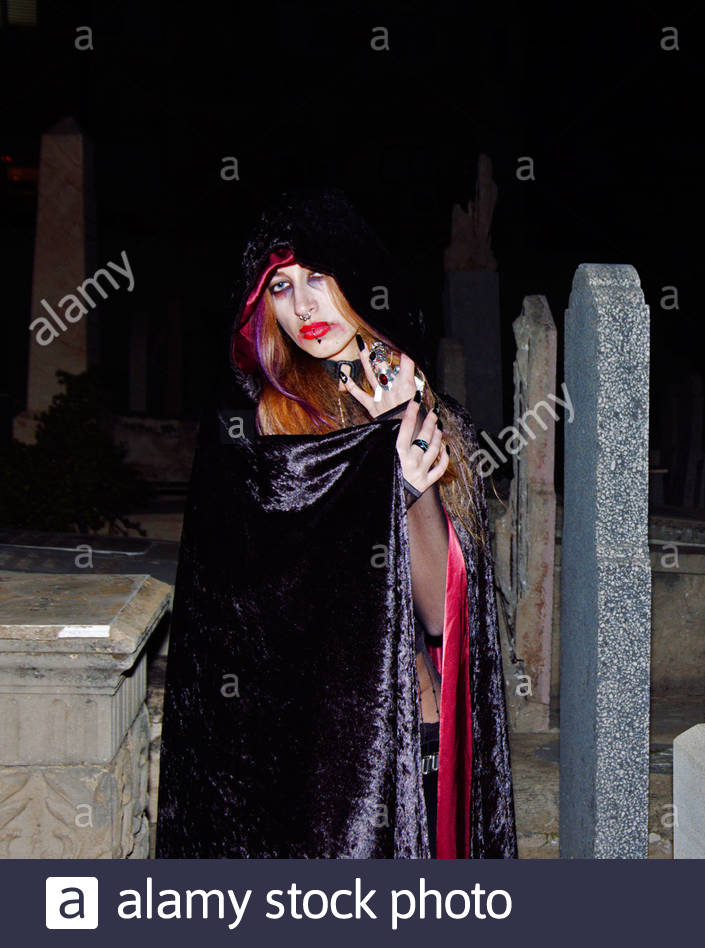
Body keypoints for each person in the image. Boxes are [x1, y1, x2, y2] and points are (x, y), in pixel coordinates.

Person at [156, 188, 516, 858]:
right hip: (315, 764)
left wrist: (406, 483)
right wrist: (372, 486)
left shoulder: (430, 410)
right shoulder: (265, 429)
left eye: (318, 279)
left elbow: (441, 616)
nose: (303, 307)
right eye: (281, 287)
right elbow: (259, 617)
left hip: (420, 733)